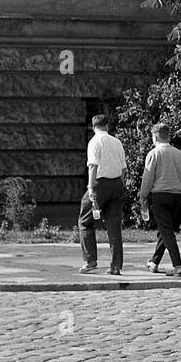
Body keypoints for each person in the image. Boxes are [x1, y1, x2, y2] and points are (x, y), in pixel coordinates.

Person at [139, 122, 181, 278]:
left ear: (155, 136)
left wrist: (143, 196)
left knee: (167, 232)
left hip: (160, 196)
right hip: (176, 197)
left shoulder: (154, 154)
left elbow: (147, 178)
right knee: (166, 230)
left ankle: (177, 265)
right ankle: (154, 262)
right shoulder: (179, 154)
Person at [79, 114, 127, 274]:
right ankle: (116, 266)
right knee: (114, 226)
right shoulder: (117, 142)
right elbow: (123, 170)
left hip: (100, 184)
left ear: (93, 127)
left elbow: (93, 166)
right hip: (117, 184)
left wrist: (91, 189)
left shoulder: (94, 142)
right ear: (107, 126)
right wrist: (121, 186)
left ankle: (90, 260)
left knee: (85, 221)